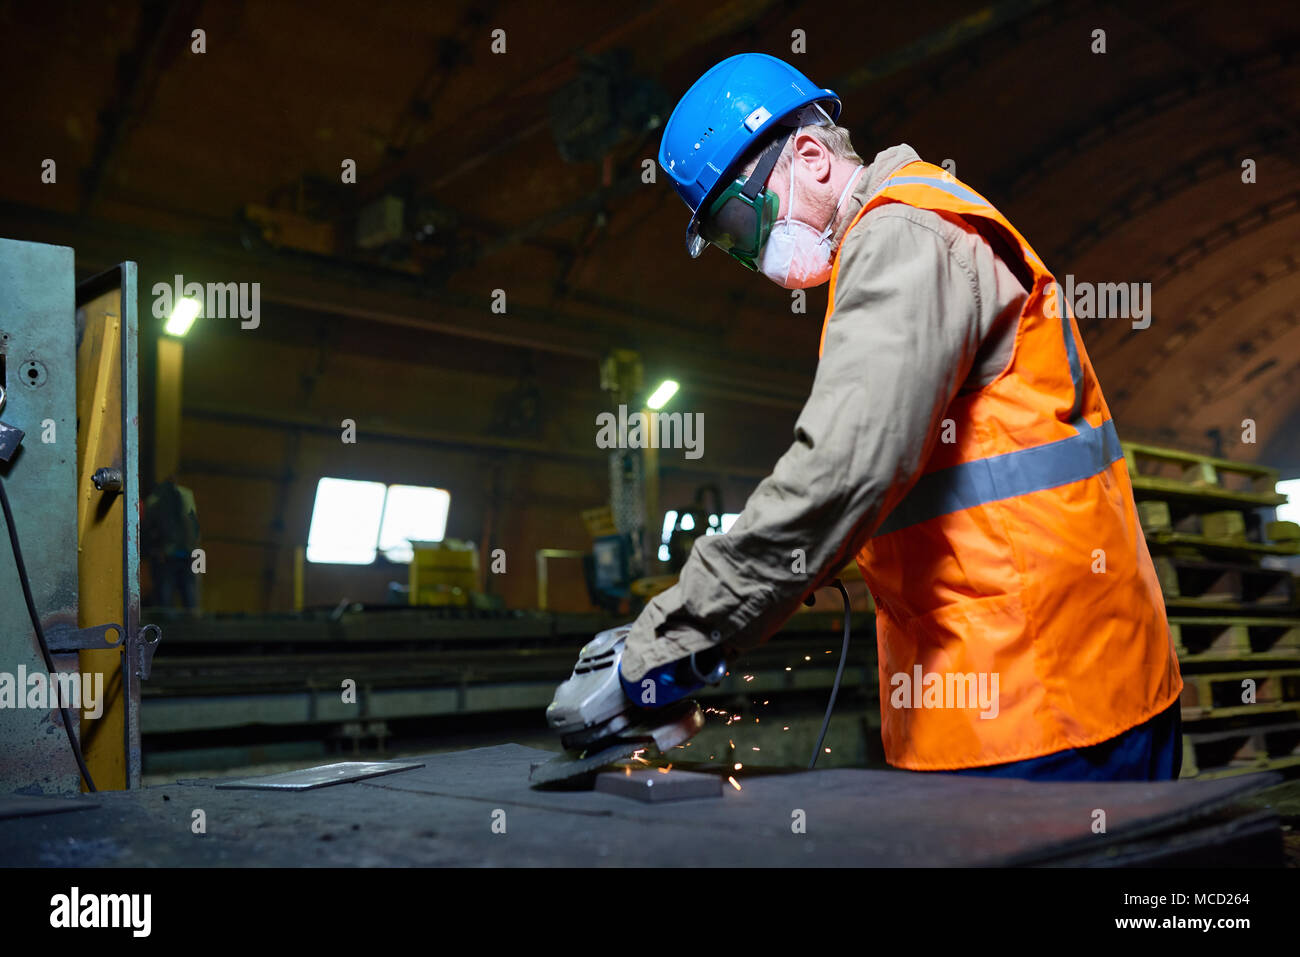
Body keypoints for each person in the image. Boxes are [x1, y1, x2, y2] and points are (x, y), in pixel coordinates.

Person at [619, 53, 1184, 781]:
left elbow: (845, 467)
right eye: (729, 243)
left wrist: (672, 639)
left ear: (814, 157)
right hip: (1053, 679)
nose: (751, 253)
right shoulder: (903, 232)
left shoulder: (903, 237)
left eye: (741, 220)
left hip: (1036, 701)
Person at [143, 477, 200, 610]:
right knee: (189, 597)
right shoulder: (186, 496)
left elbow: (149, 530)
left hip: (168, 555)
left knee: (166, 598)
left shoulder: (154, 500)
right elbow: (193, 526)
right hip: (185, 554)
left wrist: (156, 550)